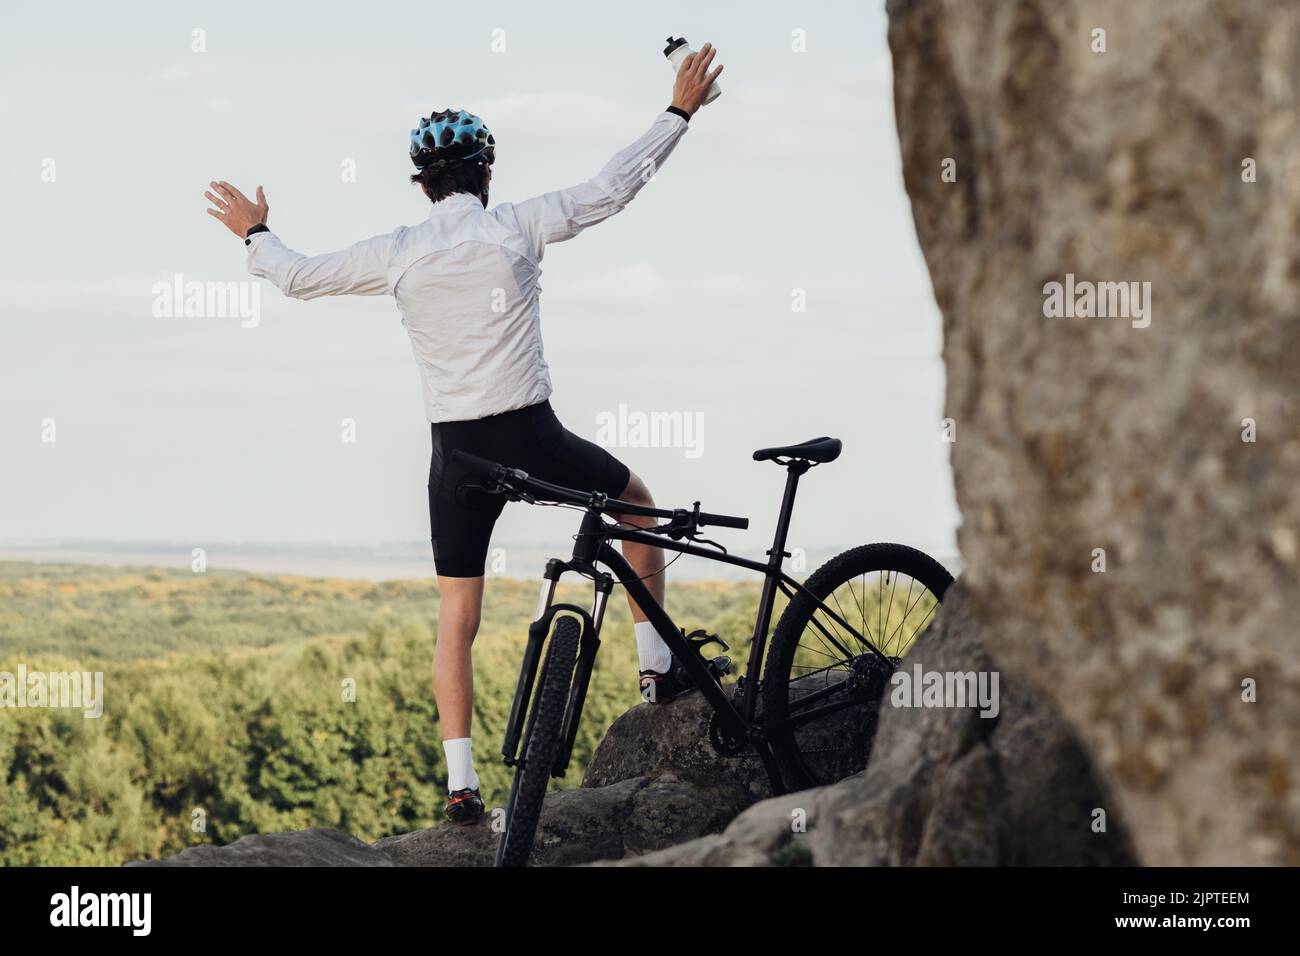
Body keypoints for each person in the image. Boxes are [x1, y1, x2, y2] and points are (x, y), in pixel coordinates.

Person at [205, 44, 725, 826]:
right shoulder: (517, 225)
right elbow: (614, 187)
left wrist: (255, 232)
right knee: (639, 509)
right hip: (535, 441)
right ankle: (656, 675)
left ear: (421, 184)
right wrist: (677, 110)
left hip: (458, 460)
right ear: (487, 173)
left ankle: (460, 784)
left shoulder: (400, 252)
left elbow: (296, 276)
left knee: (458, 617)